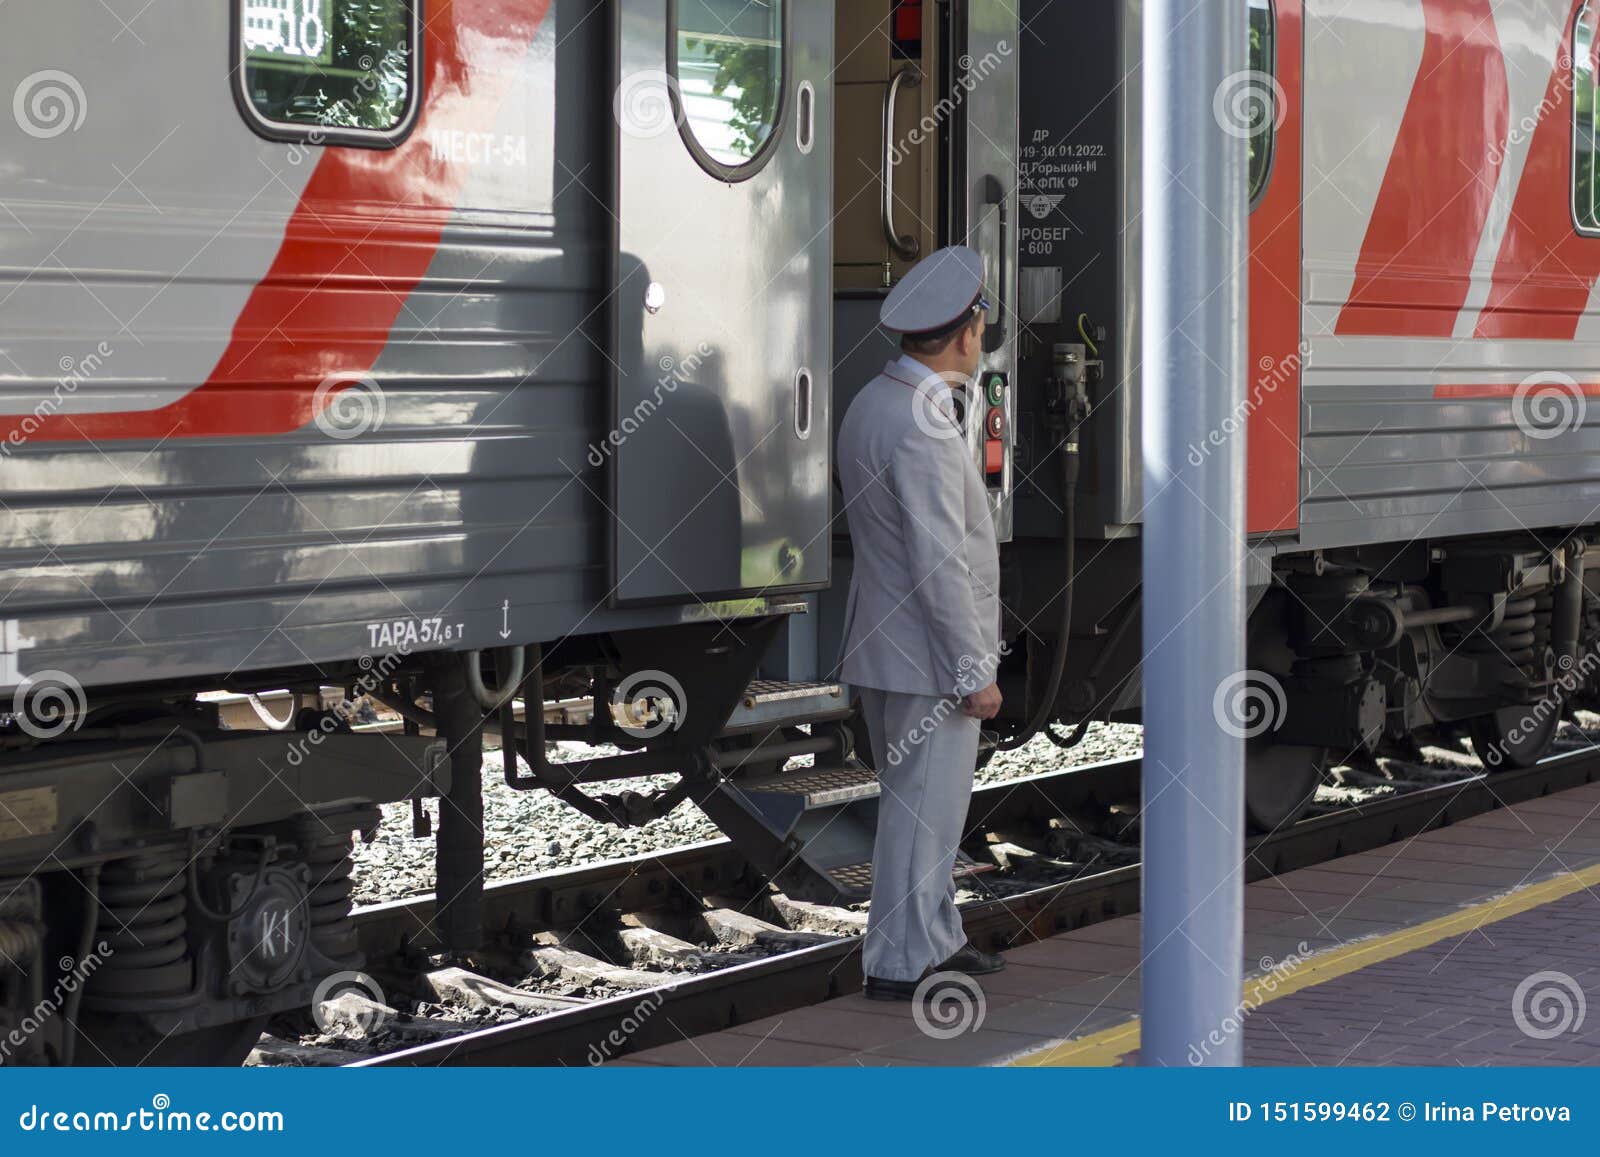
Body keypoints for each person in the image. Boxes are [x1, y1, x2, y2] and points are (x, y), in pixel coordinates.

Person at [835, 245, 1007, 1000]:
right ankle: (902, 963)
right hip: (926, 658)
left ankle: (936, 938)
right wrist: (974, 670)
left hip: (887, 645)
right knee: (923, 815)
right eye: (980, 324)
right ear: (967, 332)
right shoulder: (923, 425)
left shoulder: (873, 403)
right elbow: (941, 563)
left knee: (921, 809)